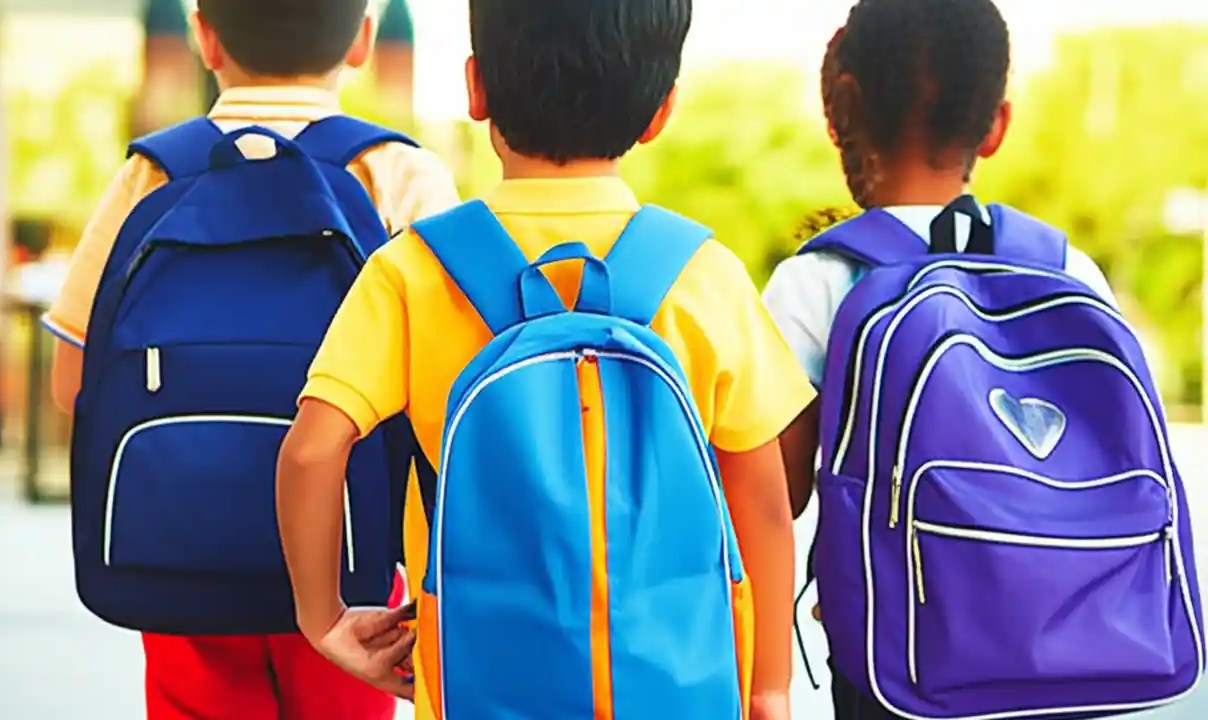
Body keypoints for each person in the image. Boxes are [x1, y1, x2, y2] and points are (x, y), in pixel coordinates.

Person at [275, 1, 817, 718]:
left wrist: (323, 619)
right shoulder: (701, 274)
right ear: (661, 111)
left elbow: (313, 453)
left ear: (476, 90)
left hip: (478, 686)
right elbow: (764, 501)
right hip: (676, 687)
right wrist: (769, 686)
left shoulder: (413, 272)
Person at [43, 1, 458, 718]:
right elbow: (448, 393)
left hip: (180, 555)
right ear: (361, 40)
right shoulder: (399, 173)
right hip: (349, 574)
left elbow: (70, 382)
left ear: (204, 35)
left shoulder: (152, 173)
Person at [762, 2, 1160, 719]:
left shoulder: (820, 282)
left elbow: (774, 500)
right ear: (997, 125)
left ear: (841, 107)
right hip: (1077, 659)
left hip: (902, 662)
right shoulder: (1071, 272)